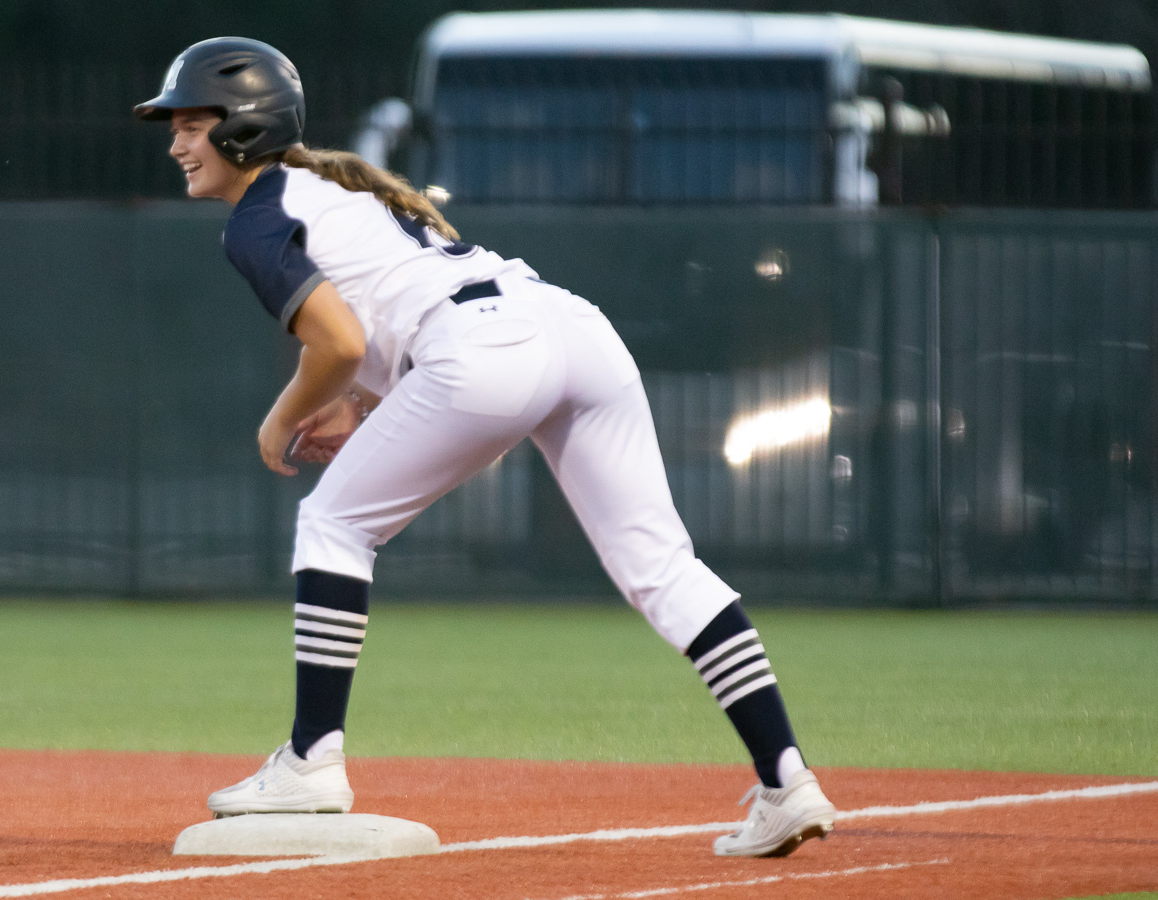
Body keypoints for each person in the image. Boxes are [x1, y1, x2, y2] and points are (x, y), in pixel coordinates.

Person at [134, 37, 836, 858]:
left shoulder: (257, 218)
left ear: (245, 127)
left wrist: (284, 414)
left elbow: (339, 341)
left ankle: (312, 759)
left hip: (484, 348)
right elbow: (376, 314)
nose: (176, 141)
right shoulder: (330, 186)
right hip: (570, 326)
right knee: (662, 566)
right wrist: (348, 397)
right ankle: (788, 781)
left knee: (331, 525)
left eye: (192, 122)